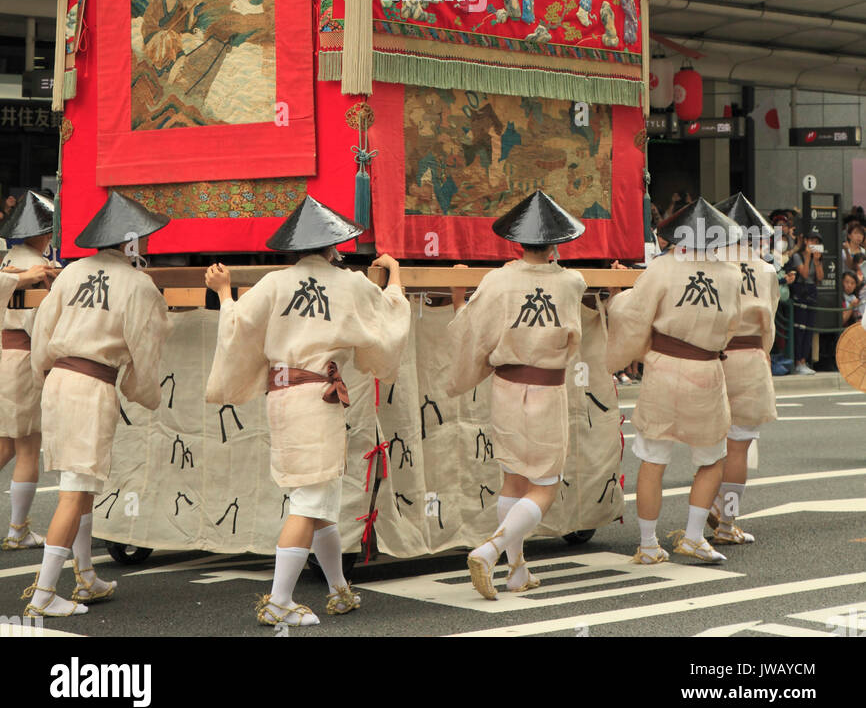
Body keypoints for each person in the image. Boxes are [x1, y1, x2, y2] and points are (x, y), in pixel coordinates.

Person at [205, 195, 410, 630]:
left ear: (295, 248)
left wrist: (224, 293)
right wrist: (394, 277)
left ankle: (338, 589)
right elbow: (390, 319)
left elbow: (237, 327)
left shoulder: (275, 282)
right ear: (334, 247)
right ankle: (279, 601)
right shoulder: (349, 282)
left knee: (321, 502)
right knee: (308, 501)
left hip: (283, 396)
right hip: (317, 399)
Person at [23, 191, 170, 618]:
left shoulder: (71, 273)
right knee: (75, 488)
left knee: (81, 484)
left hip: (61, 379)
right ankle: (43, 593)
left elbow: (43, 330)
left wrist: (44, 375)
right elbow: (150, 338)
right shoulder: (137, 282)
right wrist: (144, 391)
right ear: (129, 243)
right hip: (91, 384)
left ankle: (85, 575)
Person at [446, 189, 587, 600]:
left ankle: (517, 571)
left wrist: (460, 305)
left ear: (517, 240)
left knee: (513, 477)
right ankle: (491, 550)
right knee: (545, 484)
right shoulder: (571, 282)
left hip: (506, 387)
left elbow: (475, 329)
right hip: (546, 388)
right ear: (555, 243)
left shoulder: (497, 280)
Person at [606, 198, 744, 566]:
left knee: (653, 459)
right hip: (706, 372)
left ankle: (649, 544)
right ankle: (695, 536)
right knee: (712, 458)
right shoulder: (732, 275)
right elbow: (731, 326)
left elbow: (633, 314)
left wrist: (618, 313)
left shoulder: (661, 268)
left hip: (663, 368)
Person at [708, 195, 780, 546]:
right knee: (739, 446)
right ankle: (727, 520)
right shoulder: (765, 270)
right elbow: (770, 324)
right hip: (750, 355)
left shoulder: (711, 265)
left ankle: (704, 505)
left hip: (713, 355)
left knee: (711, 445)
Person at [0, 190, 57, 550]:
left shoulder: (11, 259)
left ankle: (18, 529)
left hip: (7, 357)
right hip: (22, 359)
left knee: (7, 443)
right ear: (41, 233)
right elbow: (42, 324)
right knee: (26, 446)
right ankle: (17, 529)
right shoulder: (33, 267)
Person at [789, 227, 823, 375]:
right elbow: (803, 274)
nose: (813, 244)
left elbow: (820, 278)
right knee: (800, 328)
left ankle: (804, 360)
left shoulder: (818, 258)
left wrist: (816, 261)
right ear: (805, 241)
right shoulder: (798, 256)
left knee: (809, 328)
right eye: (811, 241)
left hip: (812, 292)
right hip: (801, 292)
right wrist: (808, 257)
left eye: (816, 242)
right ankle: (798, 361)